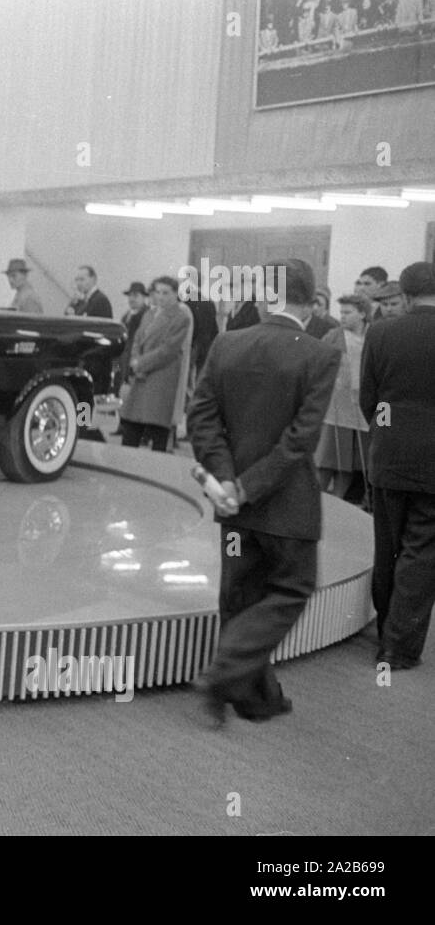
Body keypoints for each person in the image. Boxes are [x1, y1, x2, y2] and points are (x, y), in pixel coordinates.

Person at [187, 258, 340, 726]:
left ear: (262, 296)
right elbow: (300, 440)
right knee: (292, 588)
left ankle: (255, 698)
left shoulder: (227, 343)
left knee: (239, 595)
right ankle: (223, 674)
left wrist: (229, 480)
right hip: (287, 504)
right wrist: (250, 487)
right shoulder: (318, 354)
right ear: (311, 302)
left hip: (233, 505)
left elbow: (201, 417)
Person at [360, 261, 435, 670]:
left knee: (387, 545)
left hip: (388, 454)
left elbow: (370, 400)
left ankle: (385, 630)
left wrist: (387, 429)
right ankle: (398, 647)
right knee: (421, 551)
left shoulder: (382, 331)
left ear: (404, 295)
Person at [119, 276, 192, 452]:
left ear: (176, 294)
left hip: (161, 378)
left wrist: (141, 364)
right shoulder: (149, 314)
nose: (160, 297)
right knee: (131, 427)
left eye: (165, 293)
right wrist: (135, 361)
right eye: (158, 292)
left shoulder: (181, 317)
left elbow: (167, 351)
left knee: (157, 430)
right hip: (141, 376)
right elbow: (137, 340)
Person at [315, 294, 371, 498]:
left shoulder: (372, 336)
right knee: (326, 459)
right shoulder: (333, 336)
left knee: (349, 463)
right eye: (341, 312)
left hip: (360, 408)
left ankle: (340, 502)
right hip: (335, 407)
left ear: (363, 314)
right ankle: (318, 500)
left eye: (348, 312)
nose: (343, 317)